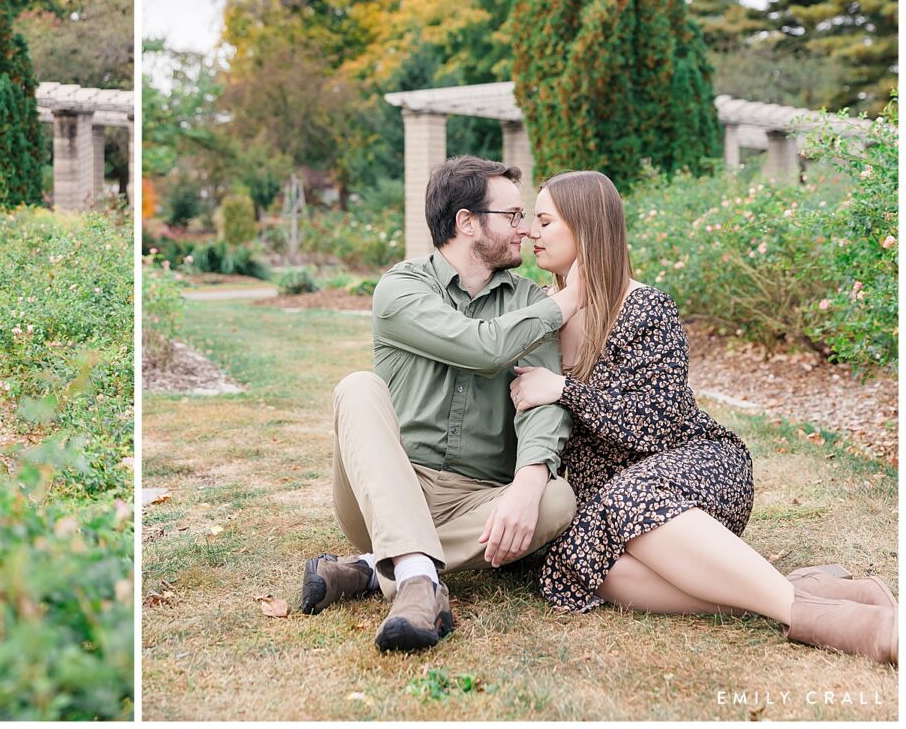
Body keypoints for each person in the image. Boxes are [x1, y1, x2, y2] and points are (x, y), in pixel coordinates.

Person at [510, 169, 896, 664]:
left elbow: (658, 424)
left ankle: (840, 623)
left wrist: (565, 389)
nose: (530, 233)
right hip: (607, 501)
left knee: (631, 495)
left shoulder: (646, 308)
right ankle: (801, 592)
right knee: (573, 562)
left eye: (544, 221)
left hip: (694, 470)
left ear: (585, 227)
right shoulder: (542, 313)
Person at [303, 155, 583, 652]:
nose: (523, 230)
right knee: (357, 387)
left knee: (556, 498)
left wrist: (528, 481)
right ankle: (415, 577)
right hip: (388, 486)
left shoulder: (527, 302)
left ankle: (378, 569)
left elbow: (543, 402)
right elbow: (481, 346)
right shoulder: (401, 288)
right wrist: (564, 302)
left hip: (475, 498)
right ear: (467, 222)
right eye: (512, 216)